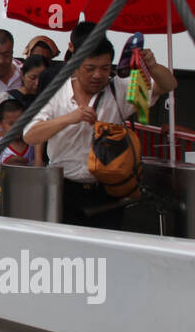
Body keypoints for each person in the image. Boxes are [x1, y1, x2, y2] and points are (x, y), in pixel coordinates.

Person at [24, 35, 176, 228]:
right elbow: (30, 135)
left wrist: (152, 66)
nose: (98, 75)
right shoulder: (57, 94)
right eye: (90, 68)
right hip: (65, 190)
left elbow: (168, 85)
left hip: (110, 189)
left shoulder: (119, 89)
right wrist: (70, 118)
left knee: (106, 253)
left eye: (105, 68)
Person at [0, 96, 37, 166]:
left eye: (20, 122)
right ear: (0, 124)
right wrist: (6, 163)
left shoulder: (32, 144)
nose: (16, 127)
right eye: (11, 124)